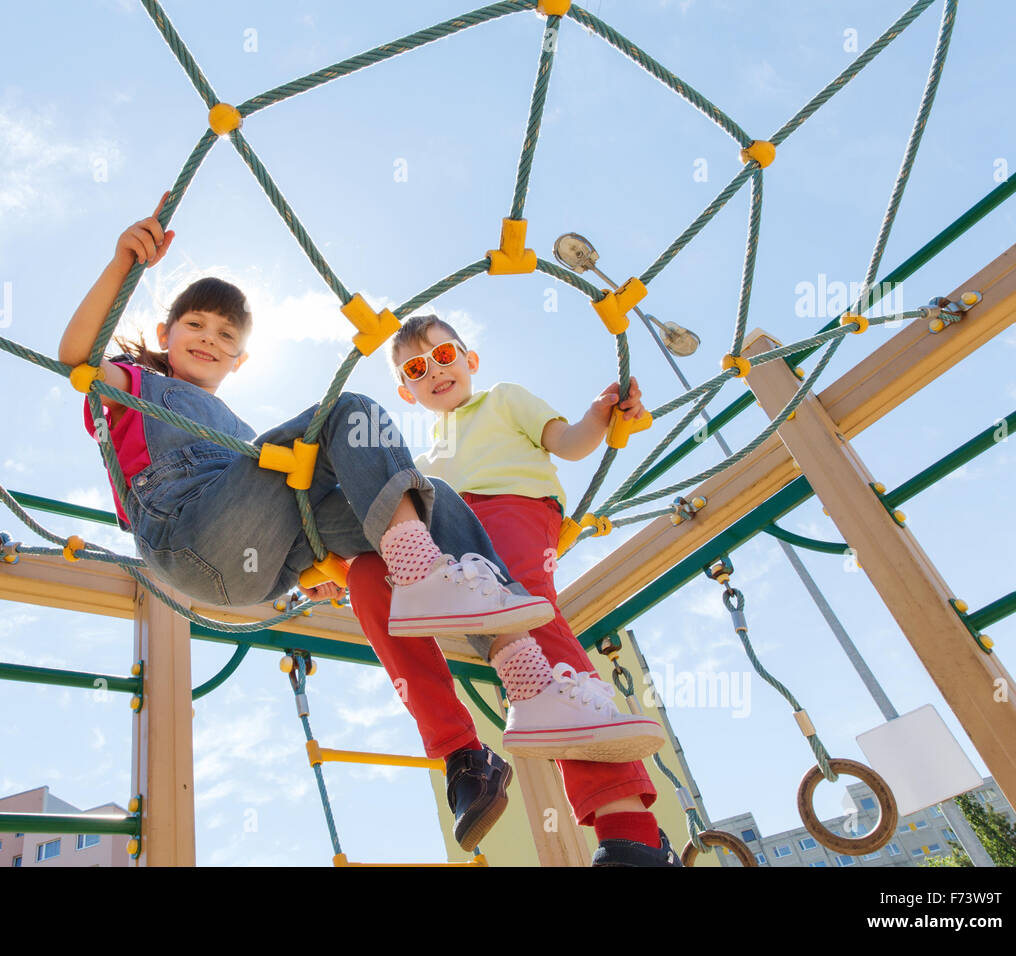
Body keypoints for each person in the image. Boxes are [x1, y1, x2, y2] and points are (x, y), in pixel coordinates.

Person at [58, 196, 641, 761]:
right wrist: (123, 264)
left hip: (247, 570)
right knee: (347, 414)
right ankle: (425, 575)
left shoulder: (240, 432)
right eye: (196, 325)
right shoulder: (134, 383)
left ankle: (533, 688)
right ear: (165, 334)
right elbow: (75, 355)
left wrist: (310, 560)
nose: (210, 338)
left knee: (432, 507)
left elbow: (278, 509)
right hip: (186, 531)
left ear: (242, 360)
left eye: (227, 335)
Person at [307, 314, 681, 866]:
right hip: (450, 544)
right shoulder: (422, 464)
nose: (435, 371)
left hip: (511, 510)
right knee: (366, 576)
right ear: (405, 392)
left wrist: (601, 416)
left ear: (469, 359)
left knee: (526, 617)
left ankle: (631, 828)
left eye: (444, 355)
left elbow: (570, 443)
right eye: (416, 368)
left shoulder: (503, 400)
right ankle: (462, 756)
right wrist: (331, 573)